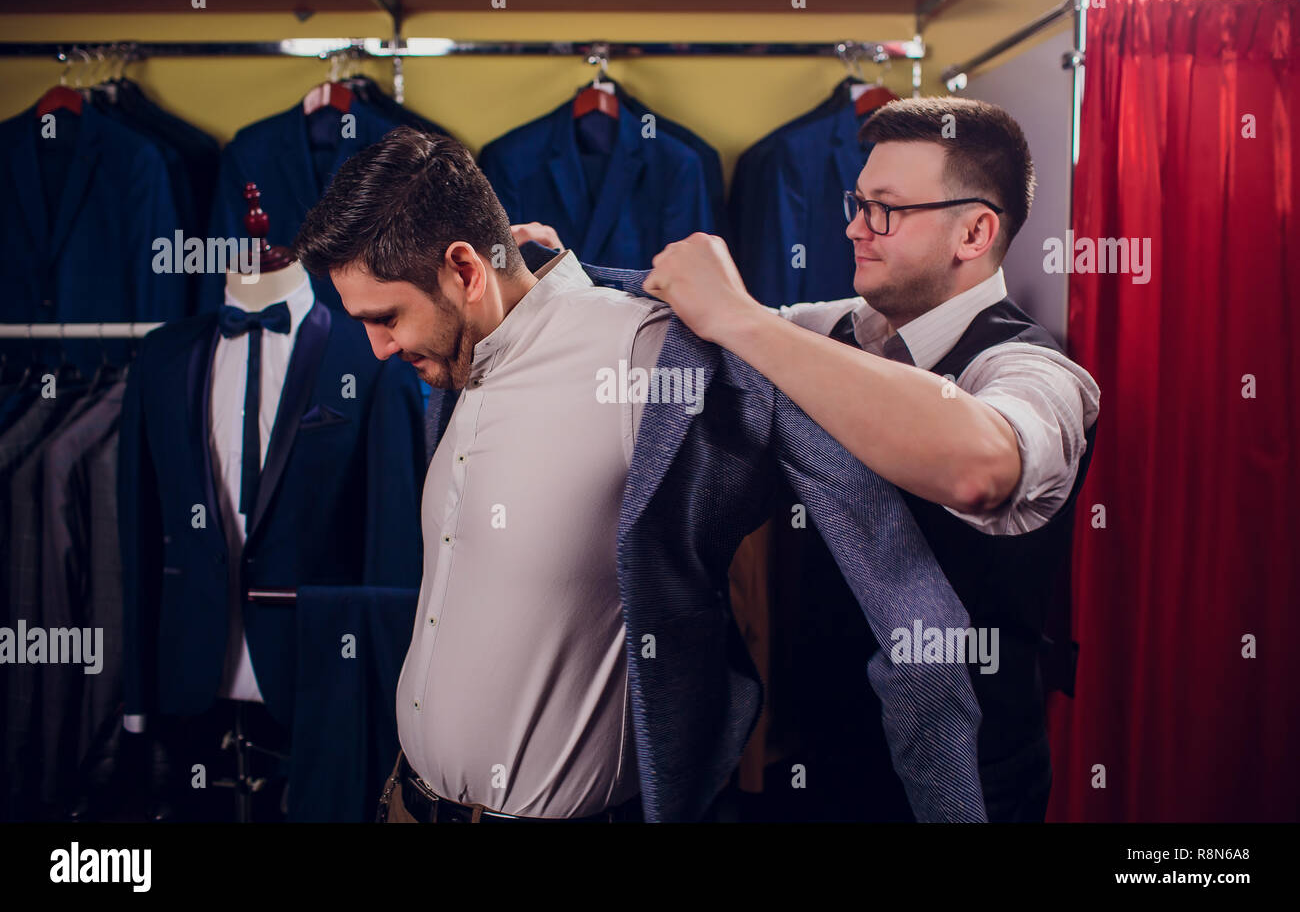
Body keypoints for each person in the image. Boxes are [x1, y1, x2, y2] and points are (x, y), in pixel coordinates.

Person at [292, 126, 990, 823]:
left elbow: (891, 569)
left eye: (384, 319)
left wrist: (950, 801)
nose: (377, 348)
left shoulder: (652, 359)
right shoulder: (457, 354)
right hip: (402, 800)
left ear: (465, 270)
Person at [643, 96, 1101, 822]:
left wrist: (738, 317)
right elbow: (685, 328)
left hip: (964, 786)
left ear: (975, 231)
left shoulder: (1037, 373)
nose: (854, 227)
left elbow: (980, 466)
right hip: (821, 765)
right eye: (858, 202)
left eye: (884, 210)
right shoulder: (832, 329)